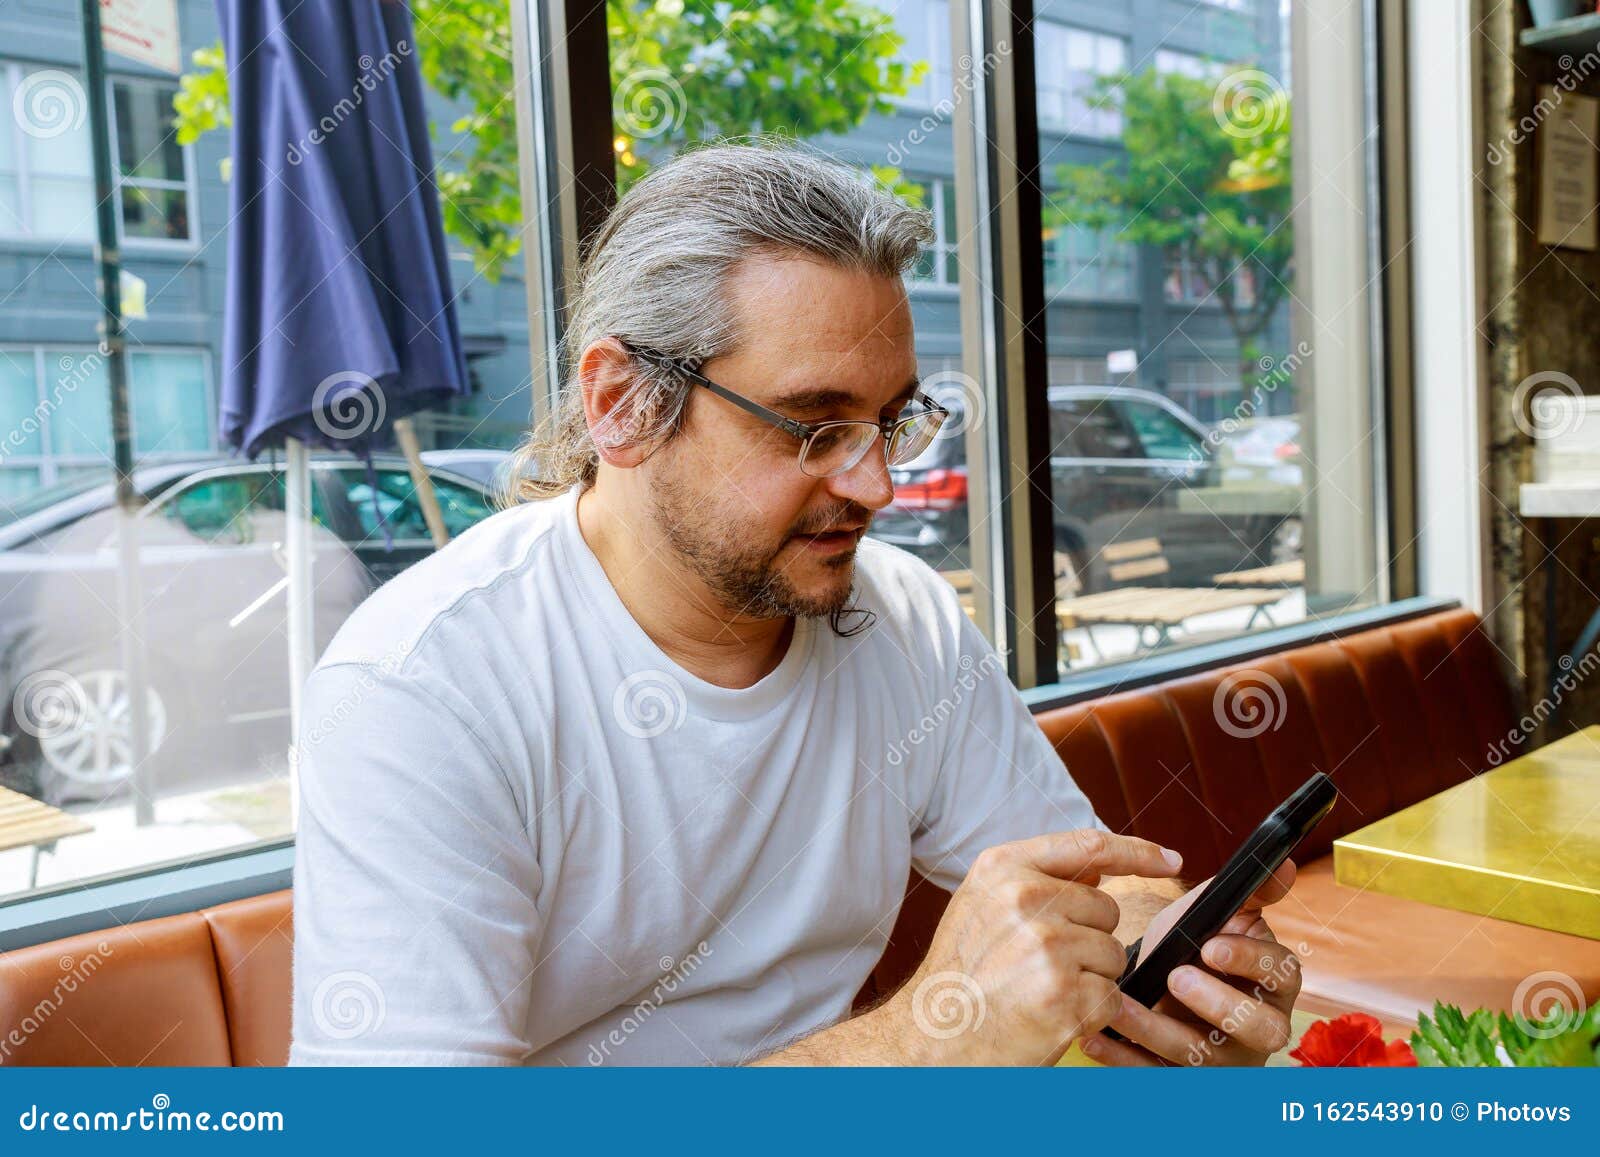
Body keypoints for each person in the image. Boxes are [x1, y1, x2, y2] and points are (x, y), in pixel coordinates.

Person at [290, 143, 1300, 1066]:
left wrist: (1173, 947)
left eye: (890, 421)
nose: (876, 487)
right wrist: (925, 1038)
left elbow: (1077, 893)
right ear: (622, 404)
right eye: (812, 427)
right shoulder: (421, 688)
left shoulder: (900, 618)